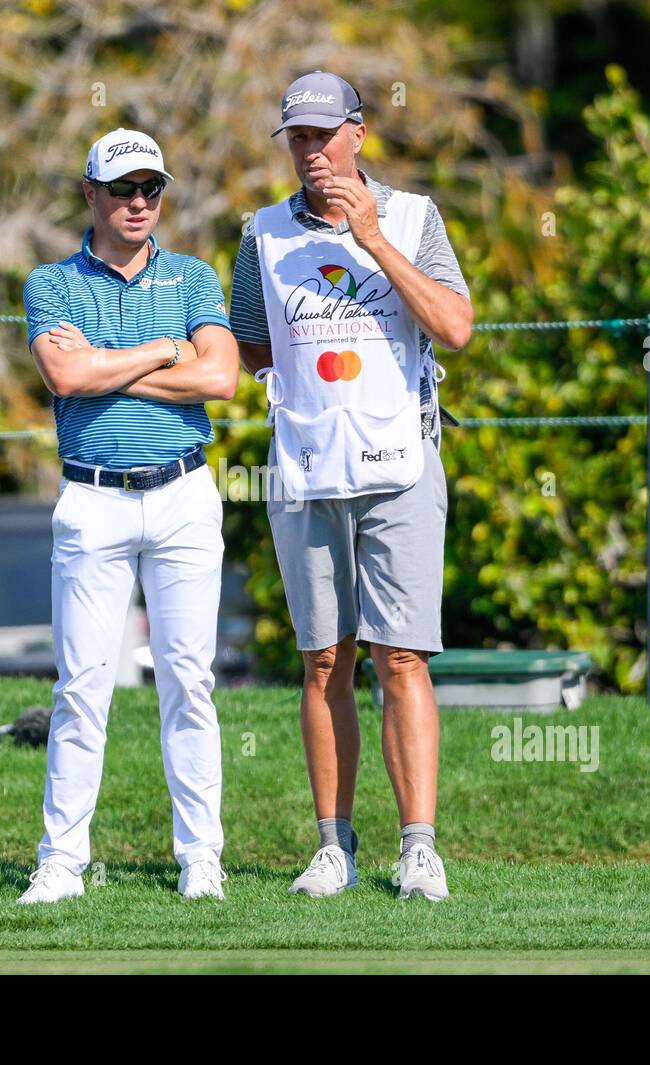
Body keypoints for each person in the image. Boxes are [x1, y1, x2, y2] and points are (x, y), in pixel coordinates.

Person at [230, 73, 473, 901]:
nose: (310, 151)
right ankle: (334, 848)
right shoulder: (259, 233)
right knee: (322, 659)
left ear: (358, 134)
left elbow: (455, 326)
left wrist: (373, 241)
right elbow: (252, 348)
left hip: (401, 465)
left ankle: (420, 850)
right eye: (296, 137)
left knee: (400, 656)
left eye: (323, 135)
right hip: (304, 469)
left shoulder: (413, 216)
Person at [19, 128, 239, 903]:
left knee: (189, 680)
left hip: (183, 495)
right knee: (81, 688)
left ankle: (200, 857)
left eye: (152, 188)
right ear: (90, 195)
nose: (139, 202)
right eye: (122, 189)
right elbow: (63, 372)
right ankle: (62, 861)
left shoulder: (193, 276)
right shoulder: (50, 283)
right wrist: (162, 352)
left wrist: (110, 368)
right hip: (92, 498)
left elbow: (221, 377)